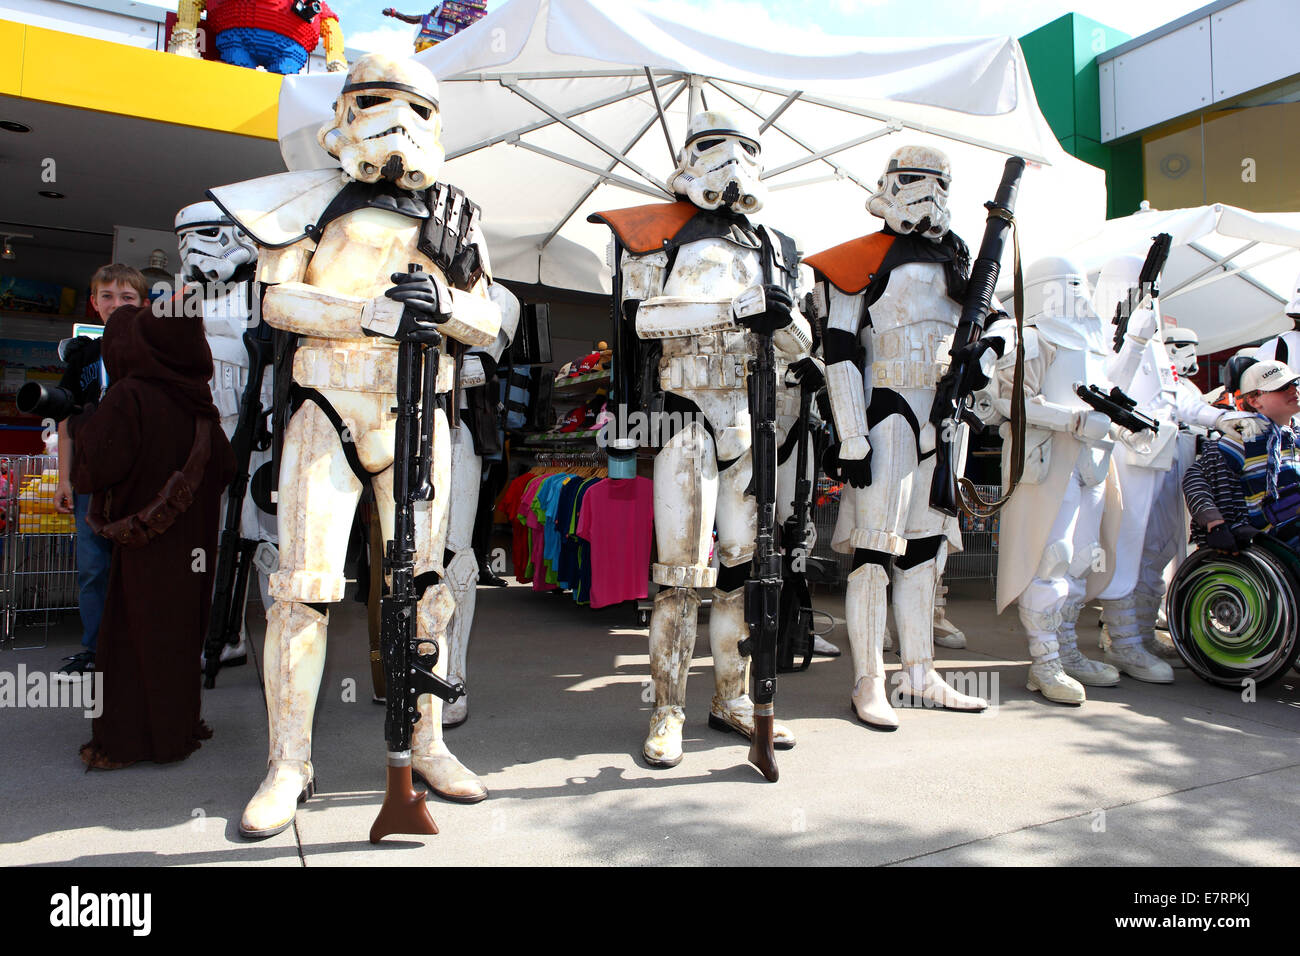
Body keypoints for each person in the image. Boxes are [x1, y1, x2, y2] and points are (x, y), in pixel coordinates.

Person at [209, 54, 504, 837]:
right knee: (302, 589)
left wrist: (440, 301)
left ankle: (428, 742)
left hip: (418, 413)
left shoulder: (459, 218)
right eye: (376, 100)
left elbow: (487, 322)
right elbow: (278, 301)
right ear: (343, 115)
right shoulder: (308, 200)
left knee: (429, 587)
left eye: (414, 105)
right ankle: (288, 763)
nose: (396, 119)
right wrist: (369, 312)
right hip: (326, 407)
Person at [589, 109, 815, 768]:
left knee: (743, 571)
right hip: (684, 410)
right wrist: (736, 311)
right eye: (715, 147)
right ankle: (667, 708)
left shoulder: (778, 246)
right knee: (681, 573)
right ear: (687, 159)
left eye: (747, 147)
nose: (733, 160)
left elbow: (800, 341)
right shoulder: (650, 232)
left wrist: (785, 321)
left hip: (754, 415)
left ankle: (732, 696)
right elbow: (638, 320)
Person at [806, 145, 990, 729]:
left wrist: (996, 344)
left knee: (924, 553)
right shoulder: (855, 260)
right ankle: (869, 681)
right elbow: (836, 350)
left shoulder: (959, 261)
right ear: (886, 184)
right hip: (885, 410)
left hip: (943, 415)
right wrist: (851, 435)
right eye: (912, 179)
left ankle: (919, 672)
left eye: (939, 181)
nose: (926, 191)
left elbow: (992, 319)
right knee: (875, 551)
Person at [67, 304, 234, 768]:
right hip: (194, 547)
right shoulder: (198, 400)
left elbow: (94, 467)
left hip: (144, 545)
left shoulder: (130, 396)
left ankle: (127, 740)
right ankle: (175, 730)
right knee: (179, 636)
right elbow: (225, 468)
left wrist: (82, 423)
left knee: (130, 638)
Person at [53, 264, 148, 682]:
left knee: (140, 566)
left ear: (144, 305)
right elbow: (64, 419)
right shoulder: (82, 356)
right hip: (90, 480)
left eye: (126, 297)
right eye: (106, 296)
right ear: (93, 304)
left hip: (139, 481)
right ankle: (94, 649)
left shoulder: (152, 353)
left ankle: (139, 648)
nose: (116, 304)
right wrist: (63, 479)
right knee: (93, 566)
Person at [1183, 360, 1300, 552]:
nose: (1292, 390)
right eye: (1281, 387)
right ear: (1254, 401)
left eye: (1294, 383)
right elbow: (1195, 479)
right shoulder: (1243, 438)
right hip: (1275, 540)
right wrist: (1214, 522)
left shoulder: (1296, 435)